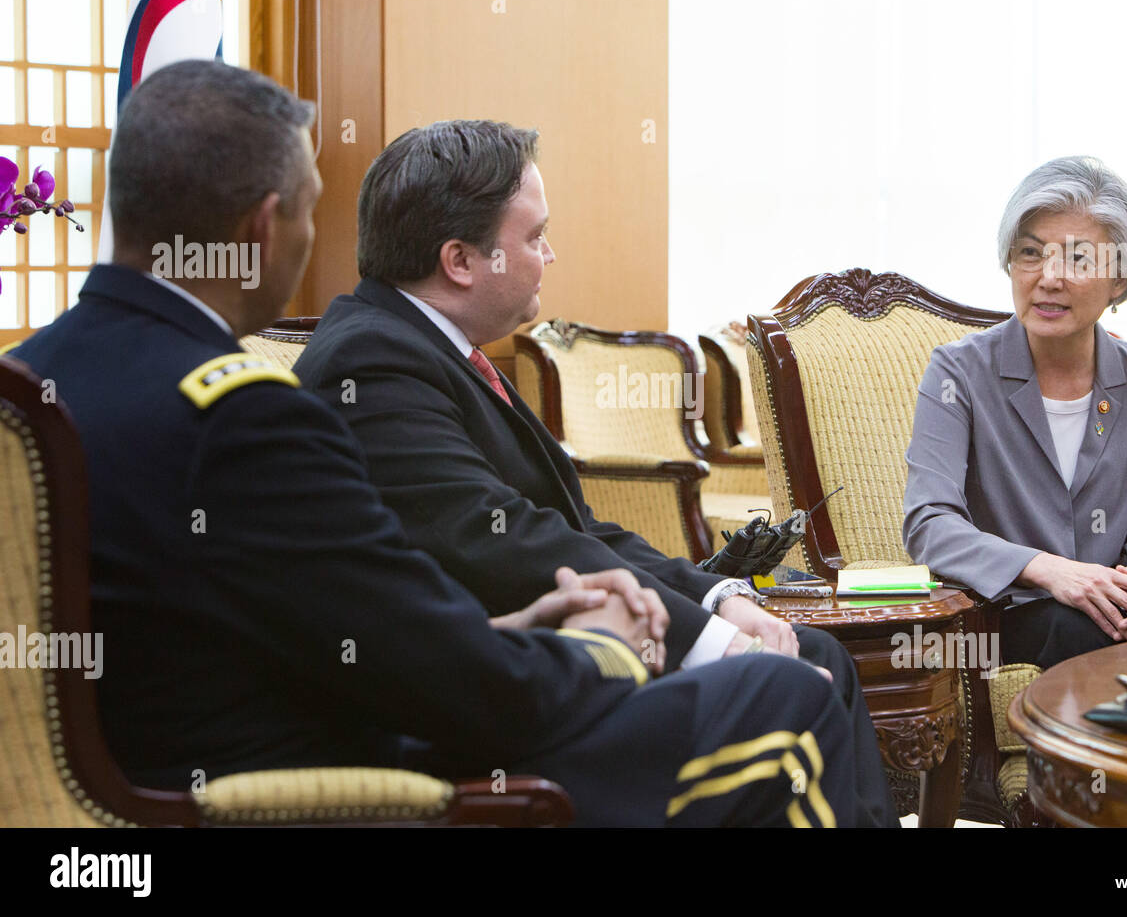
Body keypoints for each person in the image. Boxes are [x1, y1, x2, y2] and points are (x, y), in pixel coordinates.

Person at [9, 59, 863, 827]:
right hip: (310, 793)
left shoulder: (31, 382)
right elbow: (451, 682)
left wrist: (529, 625)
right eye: (310, 210)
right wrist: (607, 646)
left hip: (146, 786)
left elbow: (347, 630)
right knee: (782, 698)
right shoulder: (244, 416)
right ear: (265, 227)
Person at [292, 120, 898, 826]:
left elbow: (576, 528)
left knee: (818, 651)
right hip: (473, 709)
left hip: (541, 655)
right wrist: (709, 643)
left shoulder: (436, 348)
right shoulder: (372, 360)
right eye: (535, 236)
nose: (550, 254)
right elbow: (494, 539)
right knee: (790, 686)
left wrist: (719, 599)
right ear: (460, 260)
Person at [903, 156, 1127, 670]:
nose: (1049, 278)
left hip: (1110, 607)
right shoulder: (957, 372)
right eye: (1030, 253)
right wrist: (1050, 570)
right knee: (1074, 631)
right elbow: (929, 524)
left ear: (1120, 280)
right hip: (1002, 613)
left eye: (1078, 258)